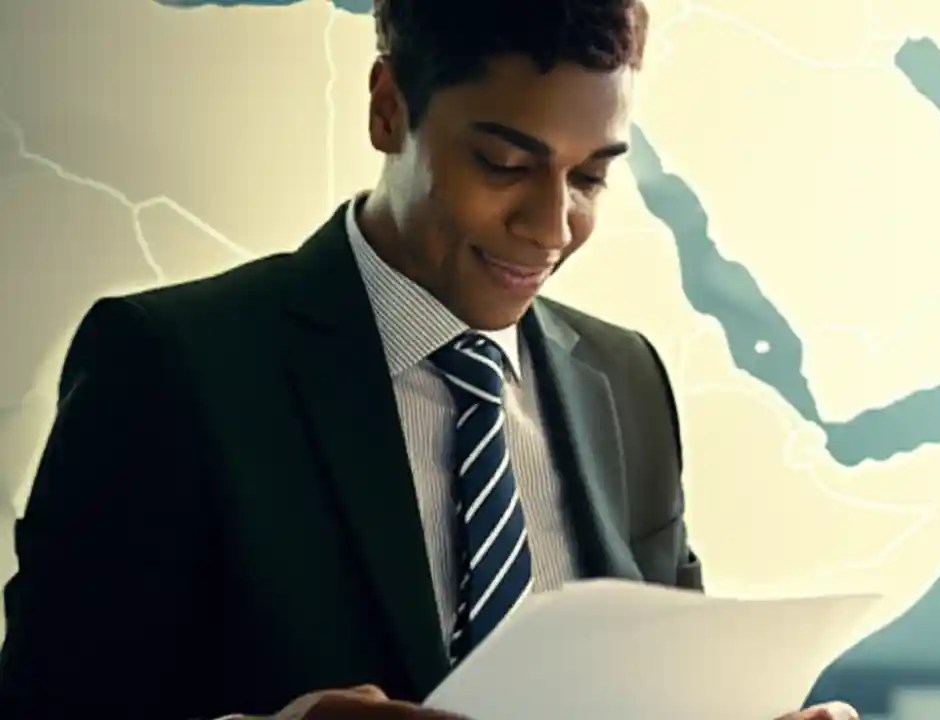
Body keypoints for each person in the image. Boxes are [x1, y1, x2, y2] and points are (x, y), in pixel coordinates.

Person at [0, 0, 859, 718]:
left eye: (591, 178)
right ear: (387, 108)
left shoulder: (627, 379)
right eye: (503, 163)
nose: (553, 227)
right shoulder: (171, 368)